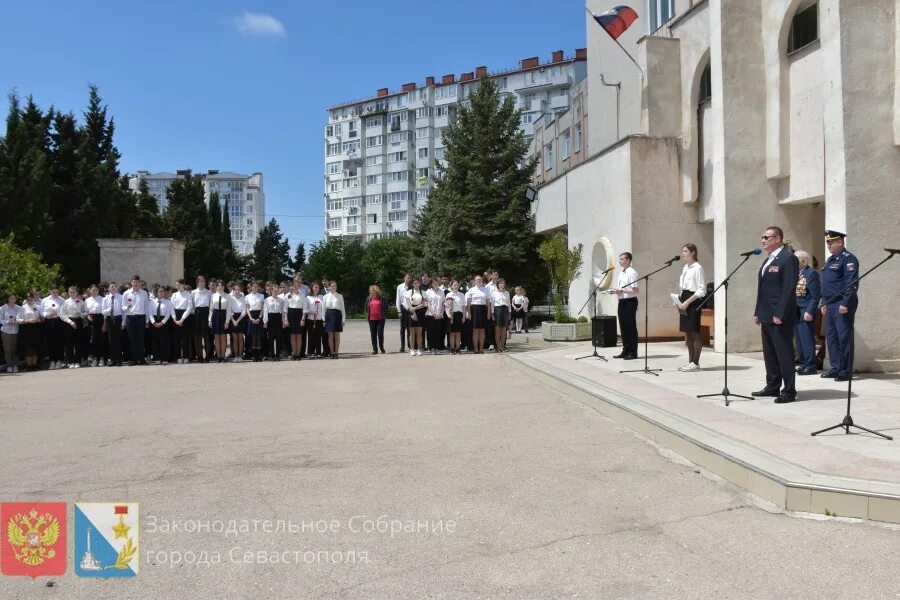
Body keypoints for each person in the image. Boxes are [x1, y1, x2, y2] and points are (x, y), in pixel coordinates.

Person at [751, 226, 800, 403]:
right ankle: (773, 386)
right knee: (770, 353)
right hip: (766, 314)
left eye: (766, 237)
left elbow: (788, 289)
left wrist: (780, 313)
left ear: (777, 238)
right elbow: (763, 290)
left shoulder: (788, 259)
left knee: (784, 352)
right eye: (762, 237)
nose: (763, 240)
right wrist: (758, 311)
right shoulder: (768, 260)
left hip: (780, 316)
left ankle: (789, 391)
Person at [819, 230, 859, 382]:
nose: (828, 245)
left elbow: (851, 284)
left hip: (842, 303)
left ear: (840, 243)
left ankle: (846, 370)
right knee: (832, 337)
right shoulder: (830, 260)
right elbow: (827, 284)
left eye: (831, 242)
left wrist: (845, 303)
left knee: (844, 337)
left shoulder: (849, 259)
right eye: (827, 242)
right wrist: (823, 303)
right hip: (830, 304)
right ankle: (836, 367)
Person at [674, 244, 706, 371]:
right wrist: (678, 300)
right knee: (688, 333)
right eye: (682, 251)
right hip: (685, 298)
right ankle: (690, 362)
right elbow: (683, 288)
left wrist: (687, 302)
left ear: (693, 253)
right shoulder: (685, 267)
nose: (683, 253)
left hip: (693, 301)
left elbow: (701, 290)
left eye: (686, 251)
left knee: (695, 333)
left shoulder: (698, 268)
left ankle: (696, 363)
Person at [794, 250, 821, 376]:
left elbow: (815, 296)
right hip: (796, 309)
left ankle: (810, 365)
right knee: (799, 340)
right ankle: (803, 362)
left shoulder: (811, 274)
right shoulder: (796, 273)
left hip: (806, 309)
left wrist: (810, 311)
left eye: (796, 260)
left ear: (804, 261)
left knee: (807, 339)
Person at [609, 252, 640, 360]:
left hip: (630, 302)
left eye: (622, 259)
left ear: (628, 260)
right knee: (623, 327)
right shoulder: (622, 273)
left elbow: (635, 291)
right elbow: (622, 290)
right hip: (622, 301)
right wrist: (615, 291)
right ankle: (625, 350)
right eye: (620, 259)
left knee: (630, 327)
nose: (620, 261)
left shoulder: (632, 273)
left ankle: (633, 352)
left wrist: (621, 290)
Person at [122, 275, 151, 366]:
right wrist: (127, 307)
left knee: (141, 340)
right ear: (131, 283)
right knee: (132, 340)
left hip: (141, 318)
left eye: (137, 282)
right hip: (130, 318)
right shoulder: (126, 293)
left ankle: (141, 359)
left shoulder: (144, 293)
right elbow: (123, 307)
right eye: (134, 282)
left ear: (139, 283)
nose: (135, 284)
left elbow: (147, 307)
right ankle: (134, 360)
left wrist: (147, 320)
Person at [60, 286, 86, 368]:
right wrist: (70, 322)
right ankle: (71, 361)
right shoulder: (65, 302)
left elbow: (86, 312)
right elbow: (62, 314)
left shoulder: (81, 302)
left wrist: (81, 314)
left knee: (78, 342)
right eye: (70, 292)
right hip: (69, 322)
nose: (72, 294)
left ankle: (77, 361)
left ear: (77, 293)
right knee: (69, 343)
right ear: (68, 293)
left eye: (74, 292)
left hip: (78, 321)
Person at [170, 279, 194, 364]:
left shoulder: (188, 294)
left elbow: (189, 307)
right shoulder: (174, 295)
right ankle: (178, 357)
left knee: (185, 338)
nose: (177, 287)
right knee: (176, 338)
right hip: (176, 315)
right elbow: (171, 307)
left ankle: (186, 356)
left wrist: (182, 319)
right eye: (176, 285)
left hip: (185, 316)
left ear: (183, 285)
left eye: (178, 285)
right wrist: (175, 319)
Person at [465, 275, 491, 354]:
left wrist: (489, 313)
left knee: (482, 330)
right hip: (474, 310)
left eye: (480, 280)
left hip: (483, 310)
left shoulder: (486, 290)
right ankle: (476, 349)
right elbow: (468, 303)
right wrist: (469, 313)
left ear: (482, 281)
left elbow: (488, 303)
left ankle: (481, 349)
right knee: (475, 330)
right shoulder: (471, 290)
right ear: (474, 281)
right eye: (477, 280)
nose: (479, 281)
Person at [17, 292, 42, 371]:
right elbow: (18, 319)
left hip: (36, 328)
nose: (30, 301)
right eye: (28, 300)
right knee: (28, 348)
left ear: (33, 298)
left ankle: (34, 364)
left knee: (35, 347)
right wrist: (27, 320)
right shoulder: (22, 308)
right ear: (26, 300)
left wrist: (38, 320)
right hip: (26, 329)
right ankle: (29, 365)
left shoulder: (38, 307)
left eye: (31, 299)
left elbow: (42, 317)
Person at [209, 280, 232, 362]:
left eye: (221, 285)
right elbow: (211, 309)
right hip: (215, 316)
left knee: (223, 337)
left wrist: (227, 321)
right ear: (216, 287)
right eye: (218, 285)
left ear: (224, 286)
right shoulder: (213, 296)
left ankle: (223, 355)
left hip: (223, 316)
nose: (220, 286)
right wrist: (210, 320)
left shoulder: (228, 296)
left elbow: (229, 310)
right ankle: (218, 356)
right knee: (216, 337)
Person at [150, 285, 173, 365]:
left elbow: (168, 314)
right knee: (155, 341)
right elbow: (150, 313)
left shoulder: (168, 302)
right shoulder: (152, 302)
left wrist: (162, 322)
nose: (162, 293)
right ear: (156, 293)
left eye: (163, 291)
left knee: (164, 341)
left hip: (164, 322)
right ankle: (157, 358)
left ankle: (164, 358)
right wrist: (153, 322)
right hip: (154, 322)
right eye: (160, 291)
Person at [263, 282, 286, 360]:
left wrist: (284, 321)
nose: (275, 291)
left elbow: (283, 312)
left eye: (277, 290)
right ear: (271, 291)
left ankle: (278, 355)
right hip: (270, 317)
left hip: (278, 317)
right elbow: (265, 311)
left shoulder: (281, 300)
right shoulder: (267, 300)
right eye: (274, 290)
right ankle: (272, 354)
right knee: (271, 337)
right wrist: (265, 321)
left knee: (279, 337)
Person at [102, 282, 124, 367]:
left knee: (118, 340)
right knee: (111, 341)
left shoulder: (121, 297)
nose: (114, 288)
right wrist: (109, 309)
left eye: (115, 286)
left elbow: (123, 311)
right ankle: (113, 360)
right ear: (108, 288)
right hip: (109, 319)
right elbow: (103, 311)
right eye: (112, 287)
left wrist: (123, 322)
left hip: (118, 319)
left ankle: (119, 360)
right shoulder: (106, 299)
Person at [285, 279, 307, 360]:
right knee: (293, 336)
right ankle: (294, 353)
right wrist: (286, 320)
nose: (296, 287)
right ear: (292, 286)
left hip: (299, 315)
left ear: (299, 287)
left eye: (297, 286)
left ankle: (298, 354)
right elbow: (285, 309)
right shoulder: (288, 295)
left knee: (299, 335)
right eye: (294, 286)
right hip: (291, 316)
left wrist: (303, 319)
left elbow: (304, 309)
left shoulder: (302, 295)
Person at [404, 278, 427, 356]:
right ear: (412, 284)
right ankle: (412, 349)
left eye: (418, 283)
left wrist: (416, 308)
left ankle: (419, 349)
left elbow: (423, 304)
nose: (417, 284)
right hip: (411, 313)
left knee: (419, 333)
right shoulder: (408, 293)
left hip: (420, 312)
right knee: (412, 333)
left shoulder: (423, 292)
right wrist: (413, 313)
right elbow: (409, 305)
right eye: (415, 283)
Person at [192, 275, 212, 362]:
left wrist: (209, 318)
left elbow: (211, 305)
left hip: (206, 313)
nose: (202, 283)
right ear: (197, 282)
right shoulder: (193, 293)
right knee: (197, 337)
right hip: (197, 313)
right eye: (201, 281)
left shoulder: (209, 292)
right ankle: (199, 356)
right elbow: (192, 305)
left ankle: (208, 356)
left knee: (207, 336)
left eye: (204, 281)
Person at [323, 280, 346, 358]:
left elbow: (343, 309)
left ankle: (336, 352)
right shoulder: (325, 296)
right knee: (330, 335)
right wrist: (324, 320)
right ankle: (332, 352)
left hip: (337, 315)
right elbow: (323, 310)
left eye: (335, 286)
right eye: (332, 286)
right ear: (329, 287)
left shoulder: (340, 296)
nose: (334, 287)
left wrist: (343, 320)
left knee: (337, 335)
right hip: (328, 316)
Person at [245, 281, 266, 362]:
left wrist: (260, 318)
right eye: (253, 286)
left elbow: (262, 307)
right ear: (251, 287)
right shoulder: (247, 297)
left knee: (259, 336)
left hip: (259, 315)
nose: (255, 287)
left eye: (256, 286)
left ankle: (259, 355)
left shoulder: (261, 296)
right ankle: (254, 355)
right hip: (251, 316)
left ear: (258, 287)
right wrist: (250, 318)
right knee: (253, 336)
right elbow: (247, 308)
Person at [425, 279, 446, 354]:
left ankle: (437, 348)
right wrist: (434, 313)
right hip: (431, 315)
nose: (435, 284)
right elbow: (428, 304)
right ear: (432, 284)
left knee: (438, 332)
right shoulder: (428, 292)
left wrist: (441, 313)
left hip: (440, 315)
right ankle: (431, 348)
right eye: (434, 283)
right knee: (431, 332)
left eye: (437, 282)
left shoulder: (442, 292)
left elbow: (444, 303)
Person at [491, 279, 511, 352]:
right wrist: (492, 314)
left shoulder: (507, 293)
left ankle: (503, 347)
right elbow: (492, 305)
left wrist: (509, 313)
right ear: (498, 285)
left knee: (504, 331)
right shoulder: (494, 293)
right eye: (500, 283)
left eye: (503, 283)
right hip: (497, 311)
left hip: (505, 311)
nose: (502, 284)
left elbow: (509, 304)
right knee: (497, 331)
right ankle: (498, 347)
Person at [229, 281, 247, 362]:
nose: (237, 291)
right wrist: (233, 321)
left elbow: (244, 311)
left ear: (240, 290)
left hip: (240, 319)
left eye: (238, 289)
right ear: (233, 290)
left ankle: (240, 355)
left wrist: (238, 320)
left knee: (240, 338)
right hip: (233, 318)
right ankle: (236, 356)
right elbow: (229, 310)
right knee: (234, 338)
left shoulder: (243, 298)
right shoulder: (231, 299)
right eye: (235, 290)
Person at [306, 282, 325, 358]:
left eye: (317, 287)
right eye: (315, 287)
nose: (316, 289)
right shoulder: (308, 297)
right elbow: (305, 309)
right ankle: (311, 352)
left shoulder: (321, 297)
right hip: (310, 319)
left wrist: (323, 318)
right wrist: (311, 312)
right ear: (312, 288)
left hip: (319, 319)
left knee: (318, 336)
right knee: (311, 336)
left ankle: (318, 352)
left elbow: (323, 308)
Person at [2, 293, 20, 373]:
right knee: (7, 349)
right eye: (11, 298)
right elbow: (0, 319)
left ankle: (15, 365)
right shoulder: (2, 308)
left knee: (15, 349)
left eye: (14, 298)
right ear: (8, 299)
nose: (13, 300)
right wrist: (7, 321)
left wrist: (16, 321)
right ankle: (9, 366)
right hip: (6, 331)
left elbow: (21, 318)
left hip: (16, 331)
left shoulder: (18, 308)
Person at [366, 285, 386, 355]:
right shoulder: (368, 298)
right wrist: (367, 315)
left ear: (375, 290)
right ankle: (375, 349)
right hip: (371, 319)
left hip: (380, 319)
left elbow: (386, 306)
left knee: (380, 333)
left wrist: (384, 314)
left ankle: (381, 347)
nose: (371, 291)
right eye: (370, 290)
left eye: (372, 290)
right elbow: (366, 308)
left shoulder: (381, 298)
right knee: (373, 334)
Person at [445, 282, 465, 354]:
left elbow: (463, 306)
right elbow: (446, 307)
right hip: (451, 315)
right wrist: (448, 315)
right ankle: (452, 348)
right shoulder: (448, 294)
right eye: (454, 285)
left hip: (459, 314)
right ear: (451, 286)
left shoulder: (461, 294)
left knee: (458, 333)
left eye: (457, 285)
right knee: (452, 333)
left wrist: (464, 316)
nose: (456, 286)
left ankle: (458, 348)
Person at [396, 274, 412, 353]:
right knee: (402, 328)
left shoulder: (412, 287)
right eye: (407, 277)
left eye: (410, 278)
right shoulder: (400, 287)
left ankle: (410, 346)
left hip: (410, 308)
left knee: (409, 328)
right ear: (404, 278)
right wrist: (399, 311)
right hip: (402, 308)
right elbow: (398, 298)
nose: (408, 279)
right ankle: (402, 346)